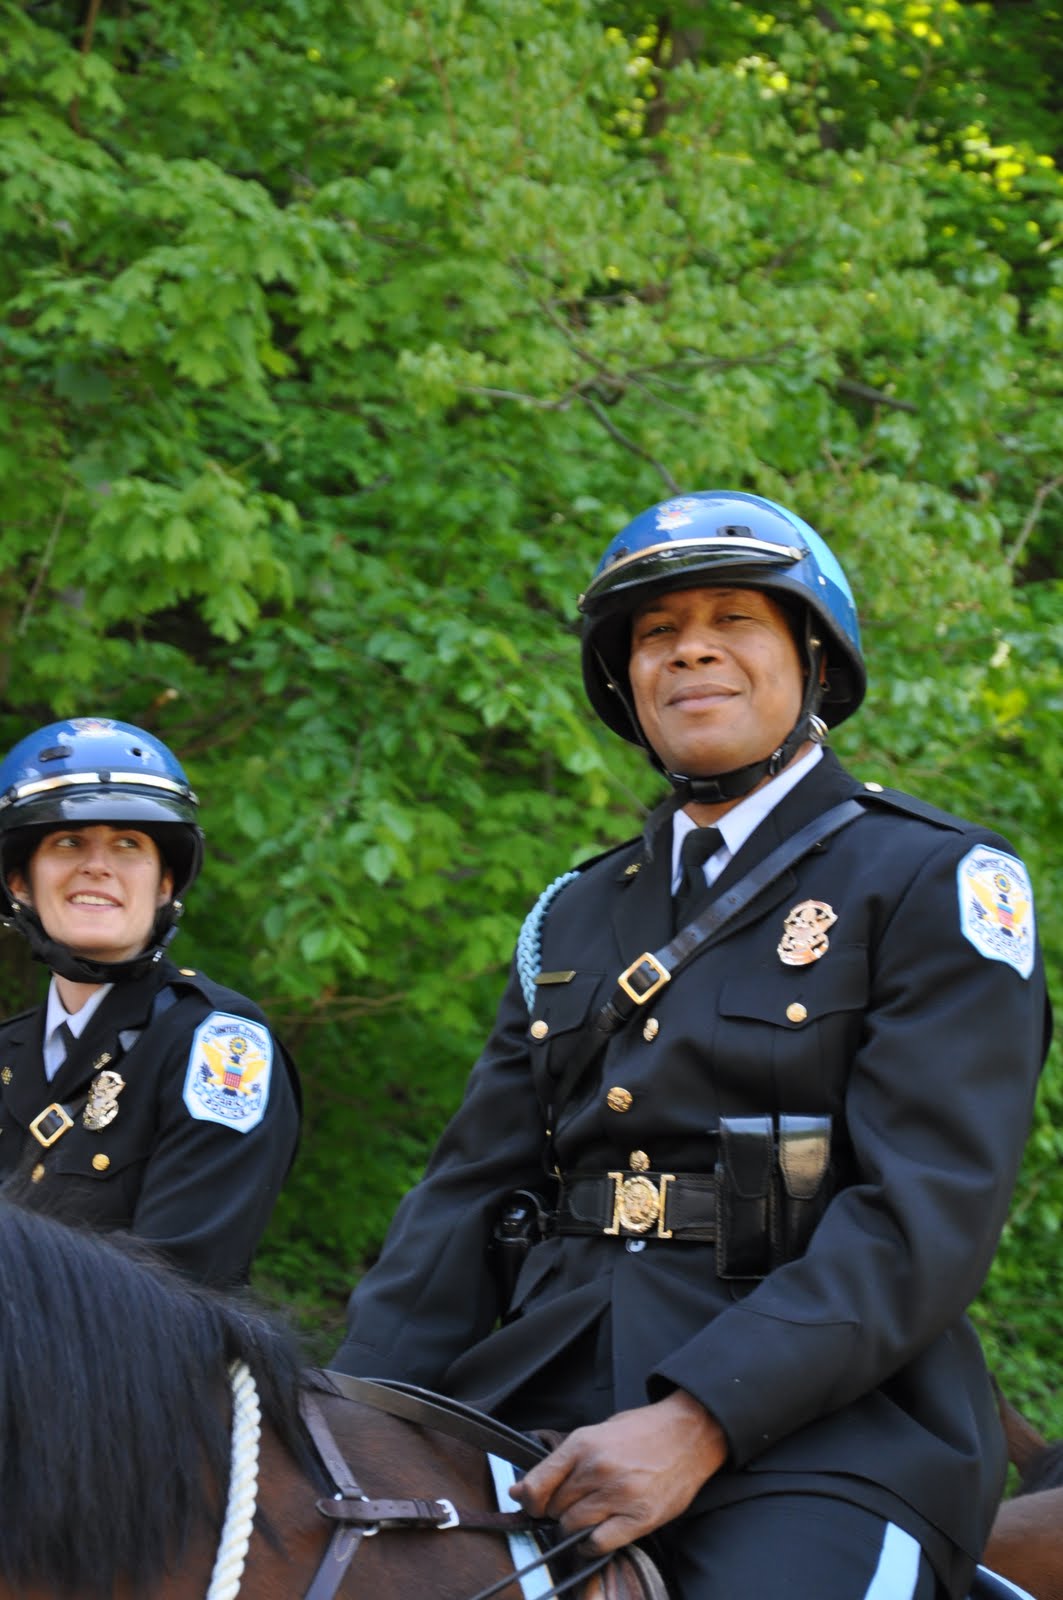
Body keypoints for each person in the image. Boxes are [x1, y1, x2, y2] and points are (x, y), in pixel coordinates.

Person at [332, 492, 1051, 1600]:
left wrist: (699, 1419)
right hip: (532, 1392)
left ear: (813, 659)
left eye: (734, 619)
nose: (691, 648)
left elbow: (925, 1212)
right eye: (657, 632)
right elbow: (463, 1199)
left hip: (823, 1435)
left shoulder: (929, 880)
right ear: (625, 681)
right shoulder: (570, 915)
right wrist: (339, 1412)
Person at [0, 716, 300, 1287]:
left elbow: (179, 1283)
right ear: (19, 881)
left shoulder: (220, 1043)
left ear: (165, 883)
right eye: (67, 841)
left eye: (128, 844)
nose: (98, 865)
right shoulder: (5, 1054)